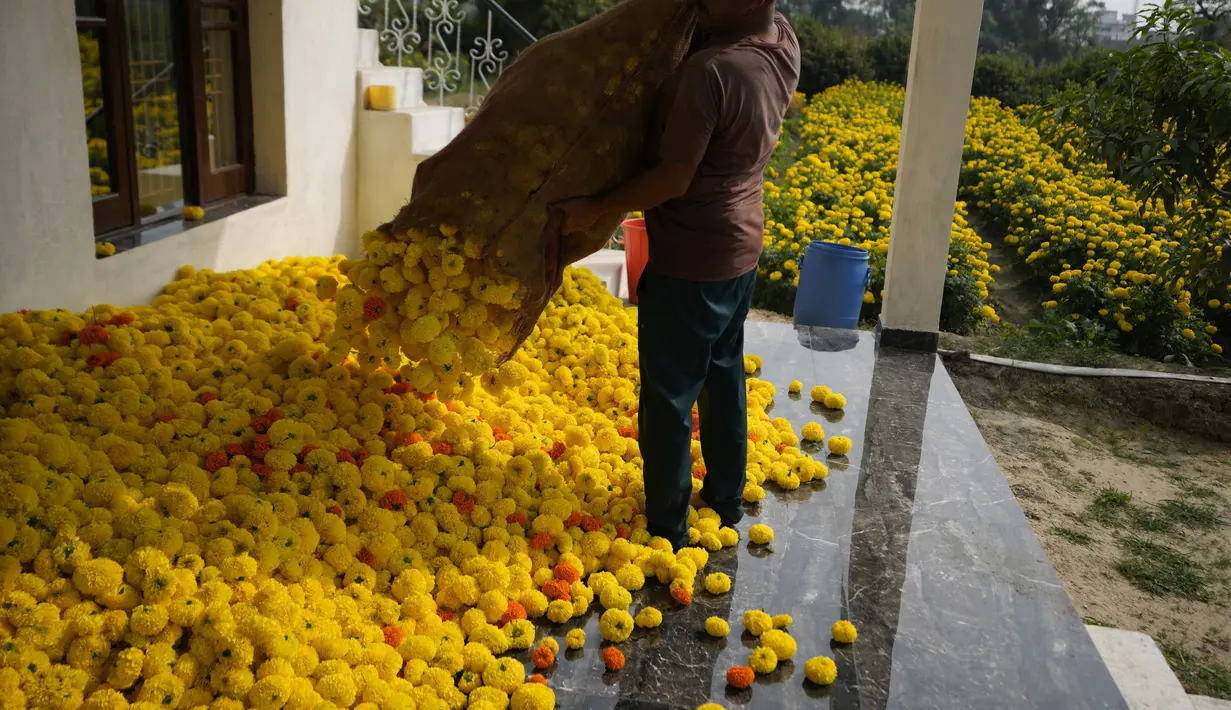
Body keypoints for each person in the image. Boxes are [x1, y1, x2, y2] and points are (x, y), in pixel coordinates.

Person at [555, 0, 800, 551]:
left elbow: (672, 178)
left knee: (668, 400)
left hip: (691, 259)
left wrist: (596, 207)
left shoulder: (710, 71)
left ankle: (668, 525)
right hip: (741, 247)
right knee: (723, 375)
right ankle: (726, 499)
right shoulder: (783, 42)